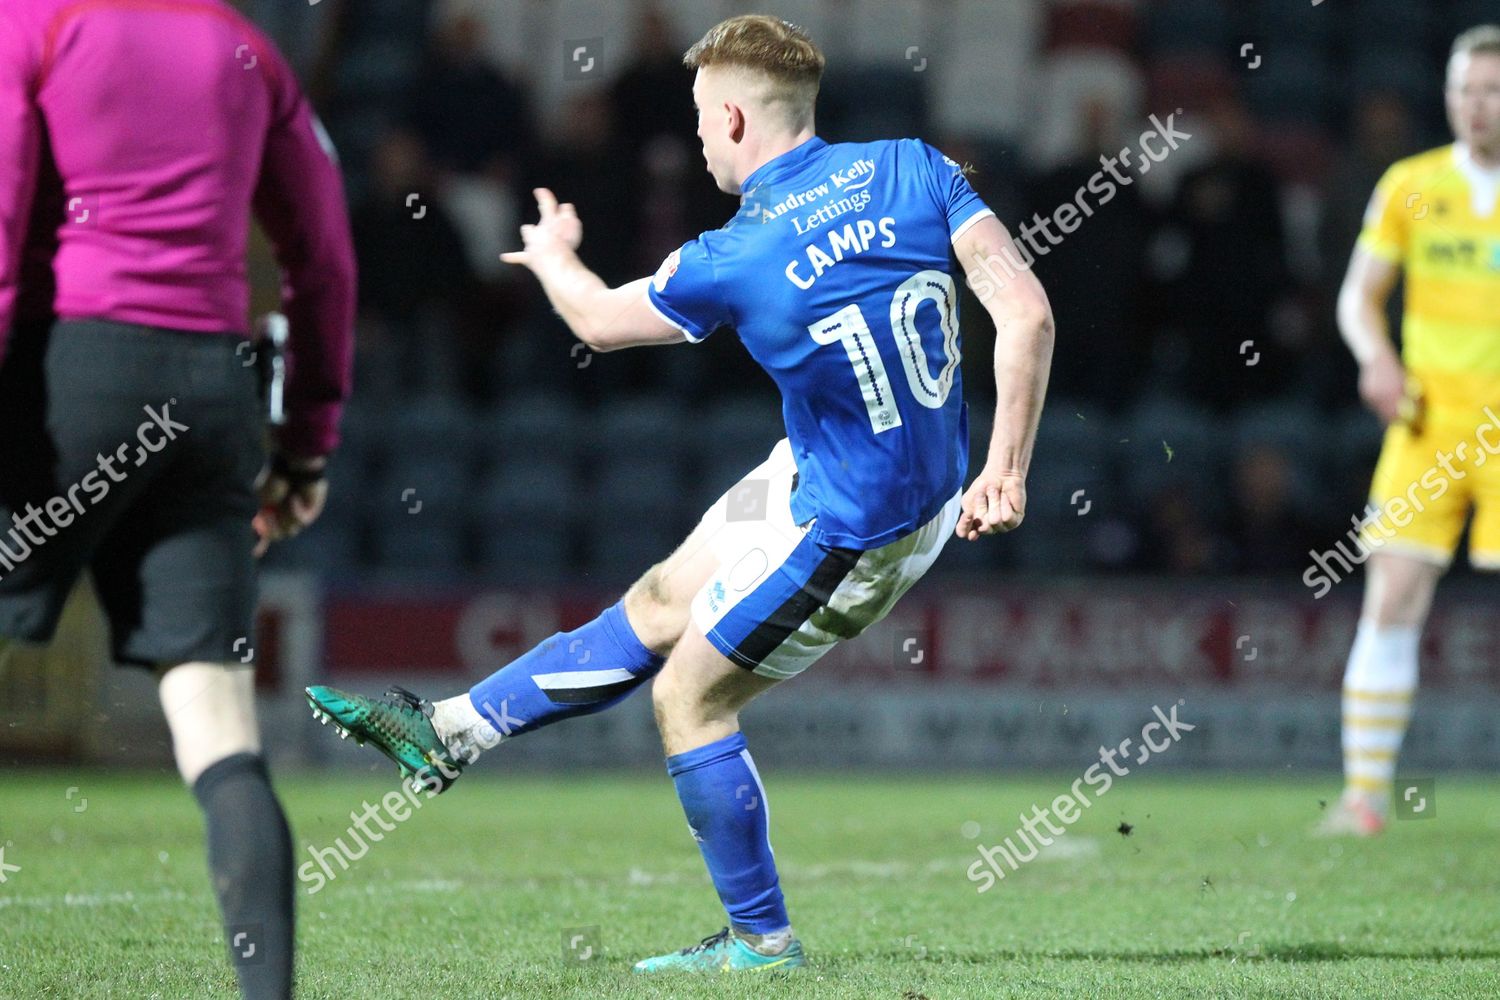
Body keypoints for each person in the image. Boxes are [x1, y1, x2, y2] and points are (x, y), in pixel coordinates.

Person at [307, 14, 1051, 972]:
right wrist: (1008, 468)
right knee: (662, 600)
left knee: (690, 699)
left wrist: (552, 258)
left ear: (735, 118)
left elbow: (597, 323)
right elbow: (1024, 310)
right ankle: (450, 731)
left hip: (860, 527)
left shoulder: (732, 256)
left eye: (702, 118)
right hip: (829, 467)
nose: (698, 139)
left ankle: (763, 944)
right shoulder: (915, 164)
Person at [0, 1, 357, 995]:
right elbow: (324, 257)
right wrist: (307, 444)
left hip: (65, 370)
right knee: (218, 730)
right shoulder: (245, 45)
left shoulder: (33, 23)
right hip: (211, 390)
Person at [1319, 25, 1500, 837]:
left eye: (1493, 91)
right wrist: (1375, 358)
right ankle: (1364, 801)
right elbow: (1358, 296)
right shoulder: (1412, 185)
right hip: (1429, 424)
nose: (1478, 106)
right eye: (1466, 90)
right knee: (1390, 597)